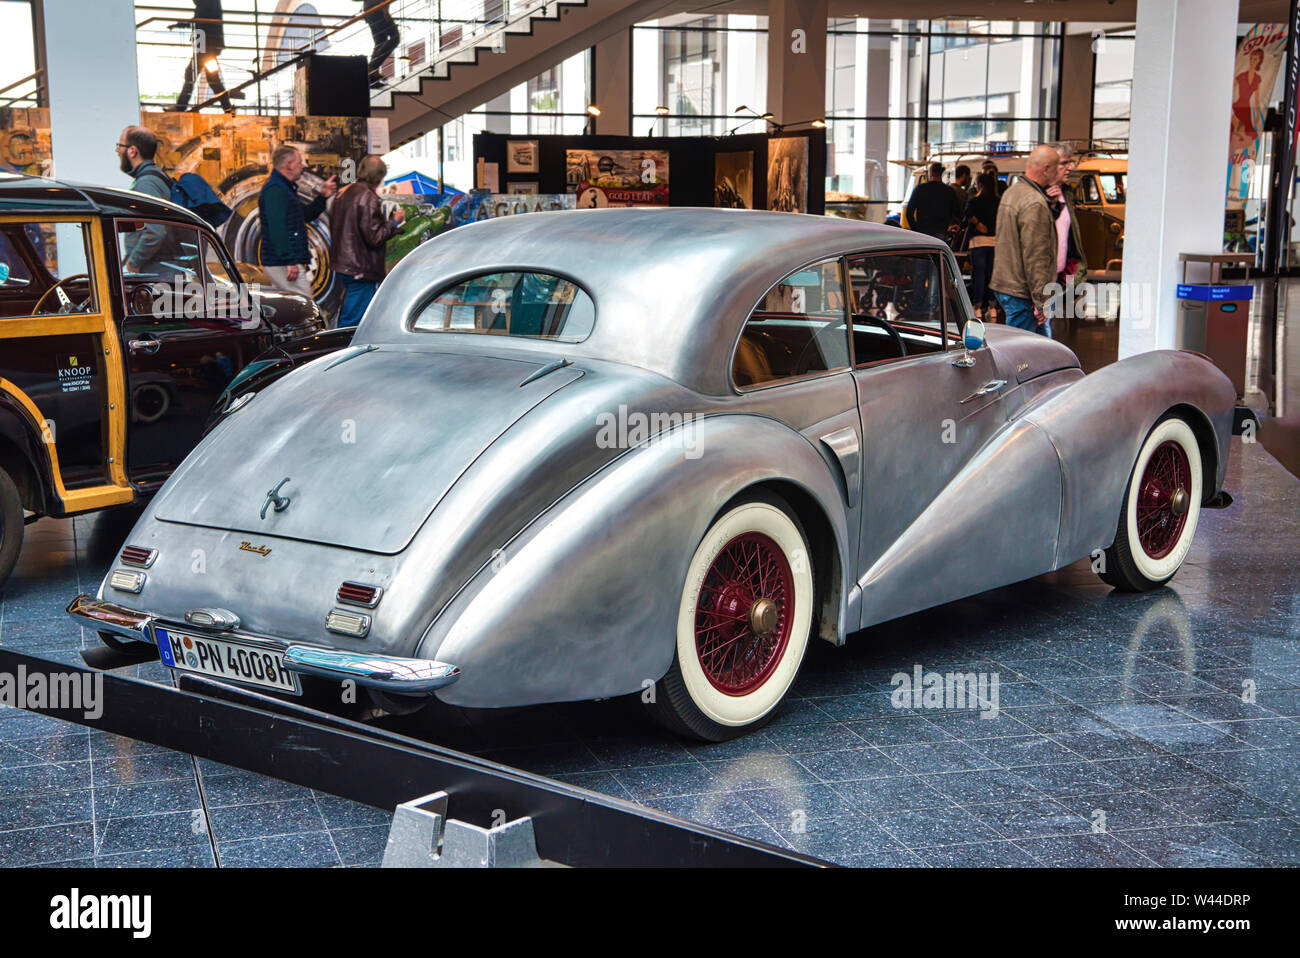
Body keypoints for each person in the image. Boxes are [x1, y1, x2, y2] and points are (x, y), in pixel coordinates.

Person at [989, 145, 1060, 338]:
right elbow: (1035, 256)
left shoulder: (1012, 192)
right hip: (1023, 292)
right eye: (1056, 168)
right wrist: (1041, 300)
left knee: (1034, 348)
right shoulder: (1034, 202)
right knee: (1021, 356)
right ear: (1045, 169)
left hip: (1008, 284)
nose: (1057, 174)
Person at [329, 155, 405, 328]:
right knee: (353, 323)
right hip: (360, 268)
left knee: (351, 316)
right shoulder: (367, 197)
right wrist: (394, 222)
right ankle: (343, 353)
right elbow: (375, 237)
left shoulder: (343, 192)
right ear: (378, 177)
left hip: (343, 264)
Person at [257, 146, 338, 297]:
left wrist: (322, 197)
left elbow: (303, 215)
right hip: (282, 263)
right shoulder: (276, 190)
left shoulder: (283, 189)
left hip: (281, 261)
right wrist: (289, 260)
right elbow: (277, 228)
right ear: (289, 165)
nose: (303, 166)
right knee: (305, 307)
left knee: (290, 309)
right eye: (299, 162)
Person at [116, 126, 175, 275]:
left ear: (132, 151)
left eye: (120, 146)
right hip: (160, 270)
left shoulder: (147, 184)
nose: (117, 151)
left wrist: (134, 262)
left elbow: (155, 231)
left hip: (155, 273)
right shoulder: (154, 178)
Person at [176, 1, 234, 113]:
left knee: (192, 74)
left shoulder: (205, 3)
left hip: (205, 48)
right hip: (208, 47)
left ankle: (180, 107)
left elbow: (199, 22)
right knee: (212, 79)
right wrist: (182, 24)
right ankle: (227, 108)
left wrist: (182, 24)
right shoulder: (207, 3)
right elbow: (200, 22)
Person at [1047, 142, 1088, 291]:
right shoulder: (1036, 196)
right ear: (1048, 166)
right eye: (1064, 163)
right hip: (1041, 279)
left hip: (1061, 278)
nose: (1071, 167)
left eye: (1071, 162)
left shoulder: (1067, 195)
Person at [963, 171, 1000, 321]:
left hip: (978, 242)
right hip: (995, 242)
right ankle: (992, 308)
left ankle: (977, 307)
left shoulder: (974, 201)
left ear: (980, 185)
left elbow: (967, 214)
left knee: (978, 275)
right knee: (992, 276)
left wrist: (978, 224)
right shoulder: (998, 201)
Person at [905, 162, 961, 241]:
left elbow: (909, 213)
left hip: (922, 232)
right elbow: (957, 213)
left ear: (930, 173)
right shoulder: (950, 191)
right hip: (942, 233)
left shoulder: (920, 189)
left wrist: (915, 230)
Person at [359, 0, 400, 88]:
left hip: (369, 10)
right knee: (395, 38)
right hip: (377, 8)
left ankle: (372, 76)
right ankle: (372, 68)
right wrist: (385, 10)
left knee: (380, 41)